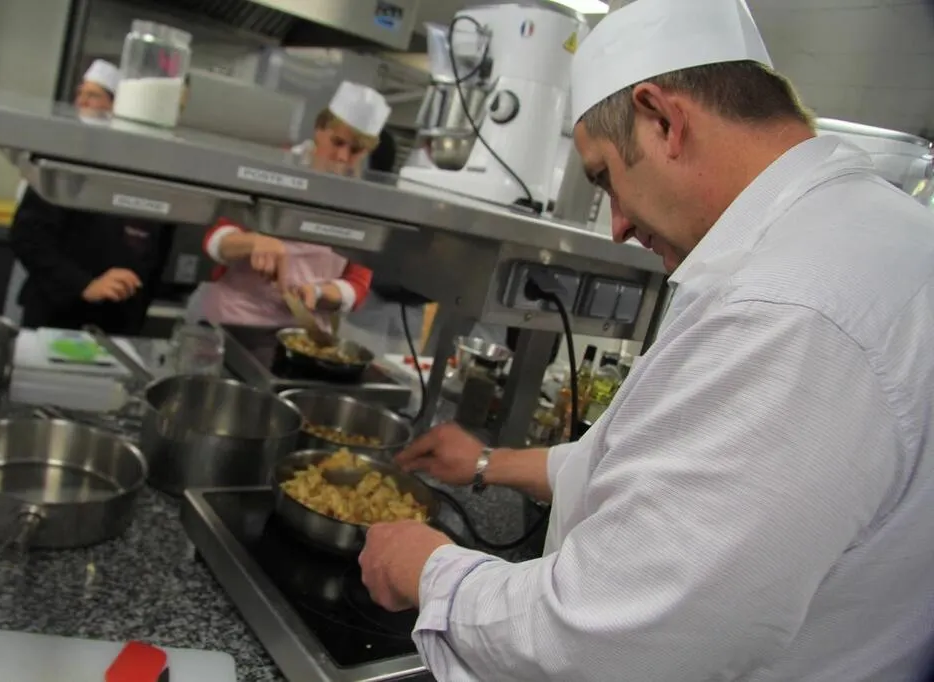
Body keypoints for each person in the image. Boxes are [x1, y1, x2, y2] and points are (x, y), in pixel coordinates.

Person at [358, 1, 934, 680]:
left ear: (662, 118)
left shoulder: (791, 309)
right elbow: (669, 471)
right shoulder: (874, 232)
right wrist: (488, 462)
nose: (619, 227)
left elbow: (615, 637)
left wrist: (428, 568)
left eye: (604, 177)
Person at [191, 81, 388, 328]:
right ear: (319, 130)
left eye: (356, 150)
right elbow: (215, 238)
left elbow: (358, 283)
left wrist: (320, 293)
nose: (342, 157)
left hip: (302, 331)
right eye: (337, 142)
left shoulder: (365, 202)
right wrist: (253, 242)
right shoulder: (277, 169)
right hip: (232, 318)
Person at [3, 59, 121, 324]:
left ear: (116, 107)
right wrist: (83, 284)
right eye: (80, 93)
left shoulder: (127, 165)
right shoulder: (63, 161)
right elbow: (26, 236)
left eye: (93, 95)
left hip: (110, 316)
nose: (82, 102)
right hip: (54, 307)